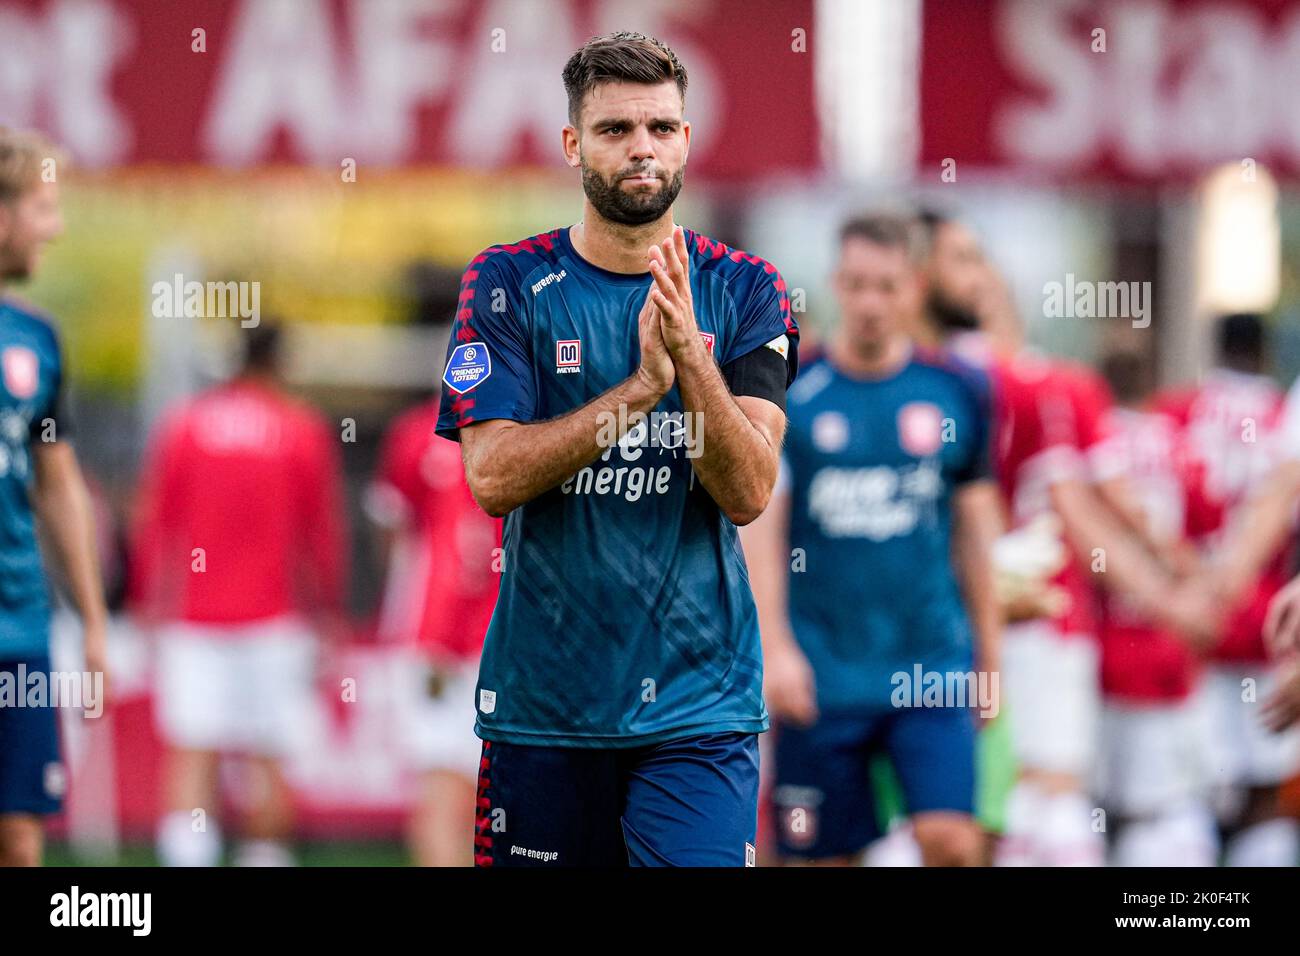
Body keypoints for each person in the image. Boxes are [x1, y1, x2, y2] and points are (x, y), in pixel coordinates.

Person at [435, 32, 798, 867]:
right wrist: (636, 391)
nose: (643, 148)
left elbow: (748, 491)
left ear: (687, 139)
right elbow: (491, 476)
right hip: (546, 706)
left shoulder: (746, 288)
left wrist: (689, 358)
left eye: (662, 128)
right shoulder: (506, 283)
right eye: (615, 129)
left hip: (699, 707)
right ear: (573, 145)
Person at [742, 214, 1000, 866]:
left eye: (886, 286)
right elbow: (763, 530)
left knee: (953, 841)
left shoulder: (956, 390)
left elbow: (975, 535)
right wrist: (775, 649)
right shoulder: (795, 390)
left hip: (931, 666)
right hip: (824, 670)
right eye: (855, 285)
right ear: (835, 284)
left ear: (913, 287)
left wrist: (990, 660)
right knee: (823, 856)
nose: (870, 303)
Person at [131, 323, 348, 867]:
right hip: (275, 619)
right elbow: (320, 534)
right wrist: (329, 610)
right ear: (279, 363)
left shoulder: (186, 425)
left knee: (193, 752)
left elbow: (156, 524)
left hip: (196, 618)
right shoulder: (299, 429)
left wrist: (145, 603)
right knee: (269, 754)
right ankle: (265, 855)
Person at [0, 127, 110, 867]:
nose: (57, 226)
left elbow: (58, 483)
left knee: (20, 833)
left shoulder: (37, 339)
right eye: (44, 206)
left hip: (20, 630)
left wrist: (94, 622)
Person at [1165, 314, 1299, 866]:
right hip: (1269, 628)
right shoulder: (1276, 411)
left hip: (1189, 625)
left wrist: (1199, 593)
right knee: (1265, 790)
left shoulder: (1178, 412)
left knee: (1187, 792)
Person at [1091, 351, 1217, 866]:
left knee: (1084, 809)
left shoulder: (1093, 438)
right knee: (1160, 816)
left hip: (1098, 644)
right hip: (1167, 647)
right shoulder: (1179, 444)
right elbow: (1209, 527)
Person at [367, 395, 499, 866]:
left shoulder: (418, 430)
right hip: (501, 638)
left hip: (439, 634)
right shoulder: (544, 420)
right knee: (485, 799)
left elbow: (393, 530)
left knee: (444, 791)